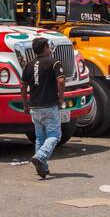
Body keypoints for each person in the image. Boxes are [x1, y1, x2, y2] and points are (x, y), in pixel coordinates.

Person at [20, 36, 65, 178]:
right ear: (45, 48)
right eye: (49, 47)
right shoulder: (54, 62)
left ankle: (42, 168)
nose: (50, 49)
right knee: (55, 135)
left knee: (40, 137)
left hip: (34, 106)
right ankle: (40, 156)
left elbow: (23, 86)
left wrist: (25, 104)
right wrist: (61, 97)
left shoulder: (28, 64)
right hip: (49, 105)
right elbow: (61, 80)